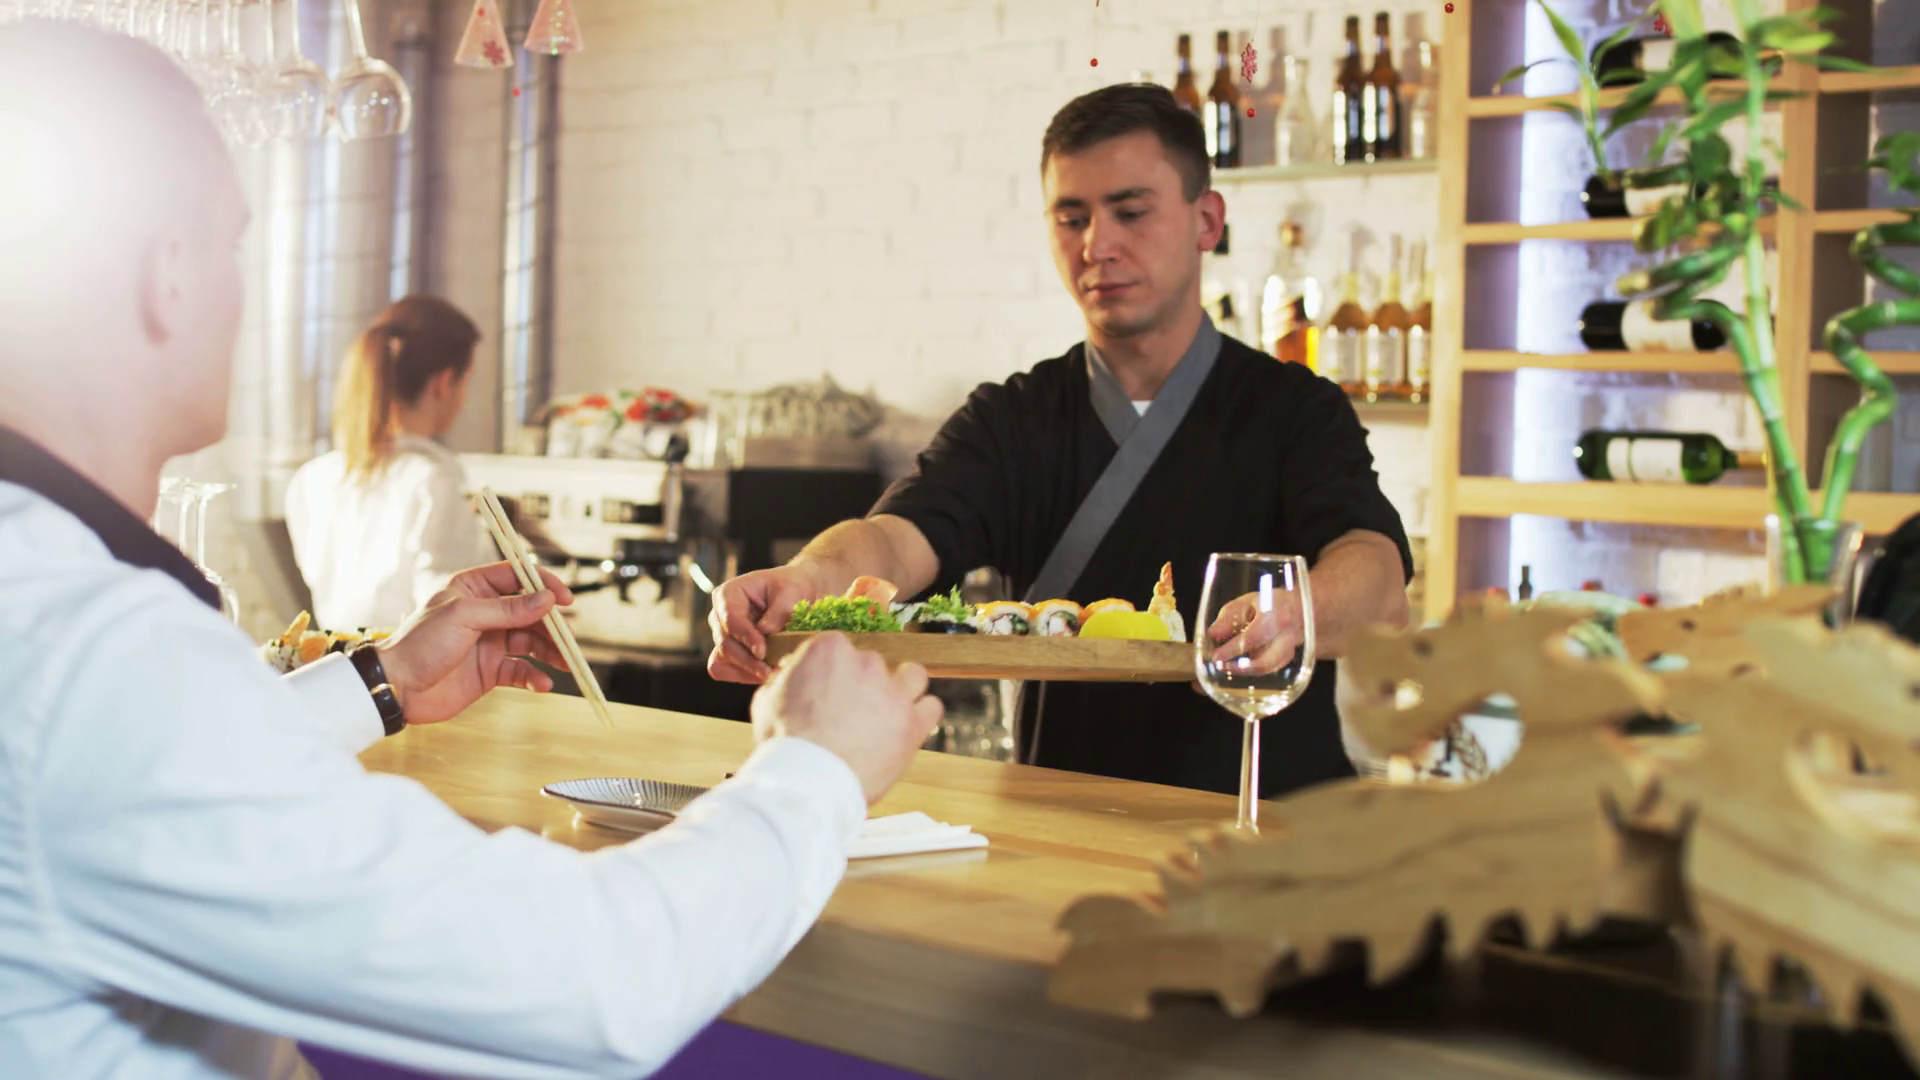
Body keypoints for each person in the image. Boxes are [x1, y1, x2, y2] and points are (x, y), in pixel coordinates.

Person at [0, 21, 940, 1080]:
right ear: (168, 275)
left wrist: (383, 681)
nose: (238, 287)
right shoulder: (93, 654)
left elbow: (148, 785)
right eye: (231, 246)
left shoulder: (43, 603)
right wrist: (813, 766)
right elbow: (586, 986)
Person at [710, 83, 1412, 799]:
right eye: (1070, 217)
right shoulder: (1012, 417)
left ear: (1207, 220)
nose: (1096, 245)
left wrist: (1299, 613)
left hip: (1268, 826)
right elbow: (892, 541)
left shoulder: (1296, 409)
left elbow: (1379, 579)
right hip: (1063, 823)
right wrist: (805, 580)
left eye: (1130, 212)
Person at [285, 296, 494, 632]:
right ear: (444, 382)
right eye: (466, 381)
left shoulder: (312, 478)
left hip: (342, 669)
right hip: (414, 677)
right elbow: (449, 611)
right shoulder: (430, 482)